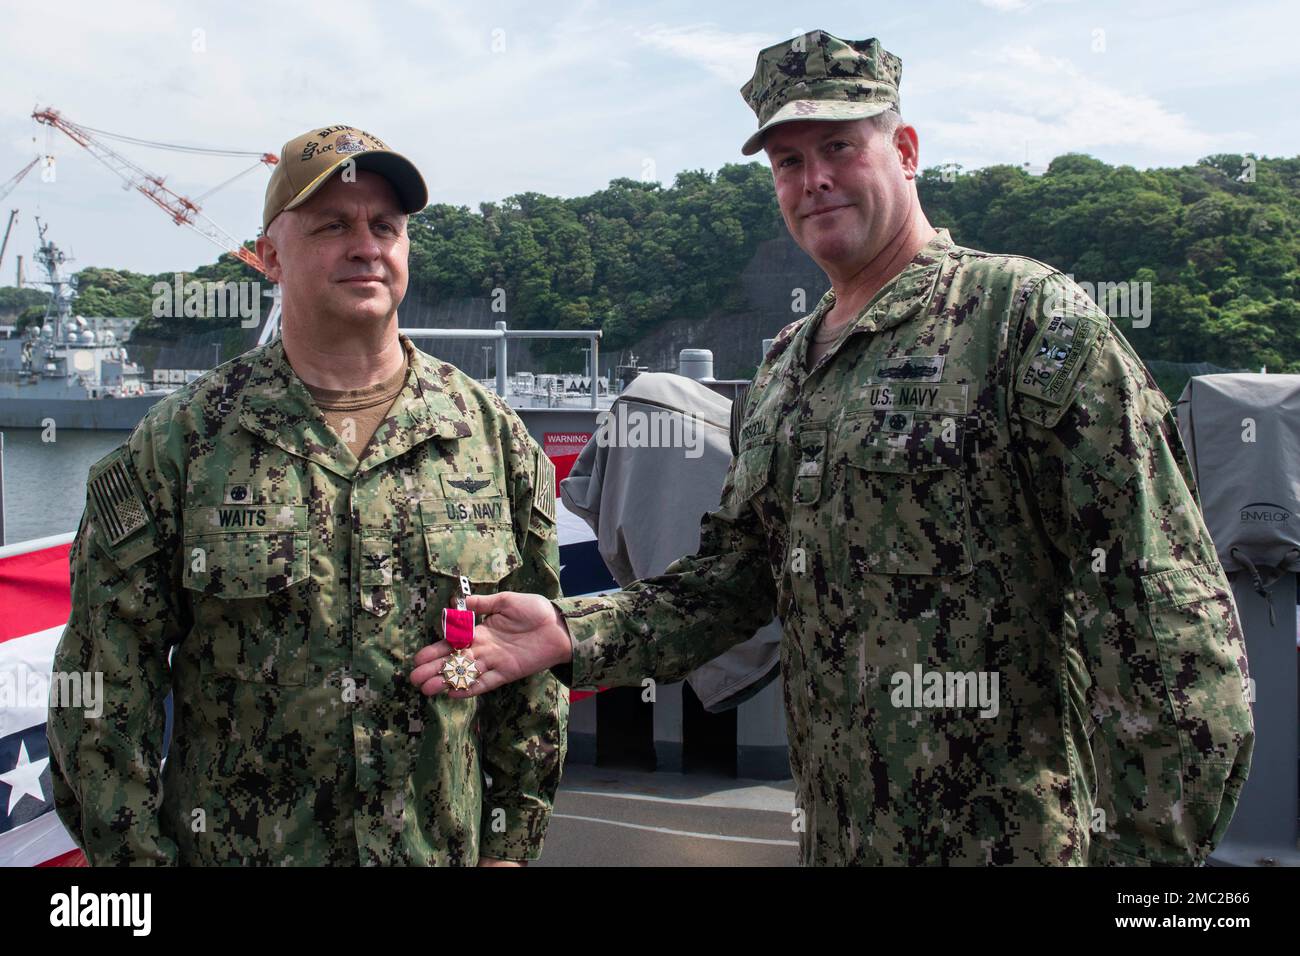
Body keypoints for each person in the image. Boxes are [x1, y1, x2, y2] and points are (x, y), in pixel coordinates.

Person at [411, 33, 1255, 866]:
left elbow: (1167, 613)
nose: (813, 180)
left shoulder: (1023, 320)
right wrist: (566, 630)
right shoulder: (787, 365)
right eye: (786, 160)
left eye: (840, 147)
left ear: (907, 150)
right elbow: (733, 581)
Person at [48, 124, 567, 866]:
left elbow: (532, 672)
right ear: (268, 256)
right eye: (333, 225)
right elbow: (101, 691)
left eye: (385, 225)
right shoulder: (182, 445)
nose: (366, 245)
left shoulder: (491, 438)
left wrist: (510, 847)